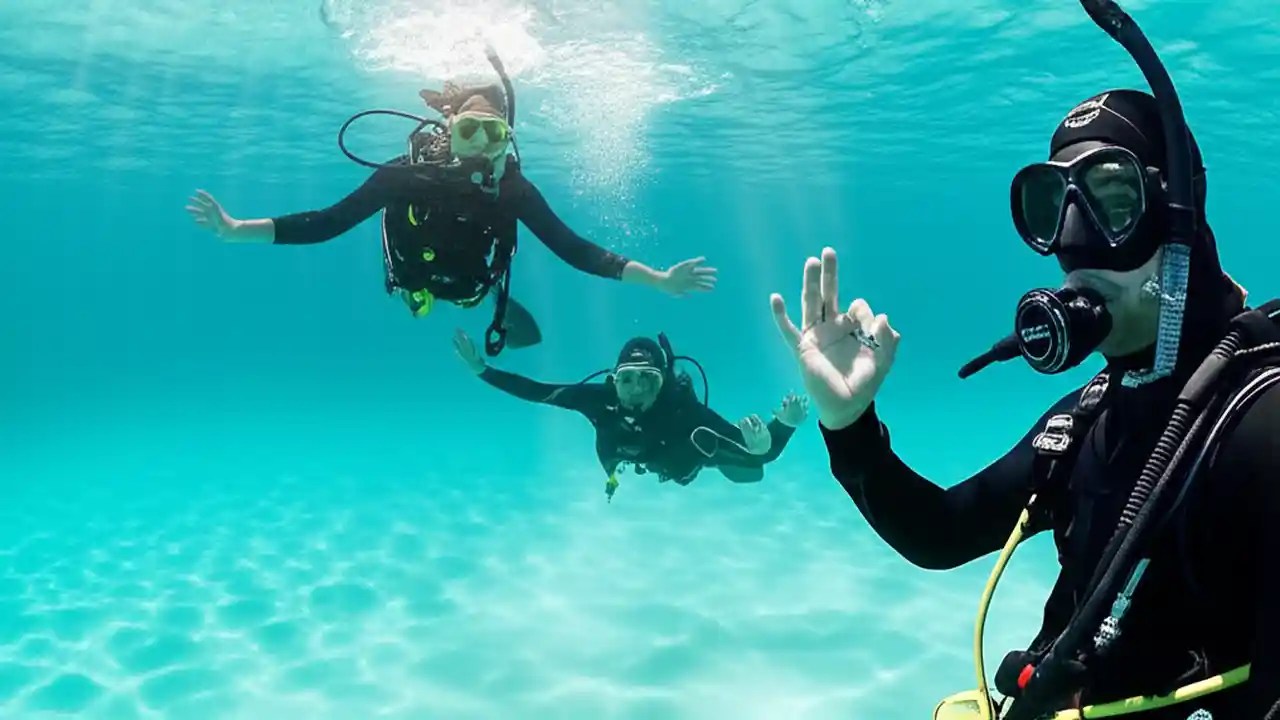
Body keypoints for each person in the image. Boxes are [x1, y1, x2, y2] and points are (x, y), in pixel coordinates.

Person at [769, 3, 1278, 719]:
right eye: (1051, 205)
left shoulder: (1259, 427)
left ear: (1180, 219)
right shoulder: (1091, 418)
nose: (1071, 240)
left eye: (1111, 199)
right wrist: (848, 426)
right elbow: (942, 532)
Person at [185, 49, 716, 357]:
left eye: (493, 134)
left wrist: (658, 279)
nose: (480, 146)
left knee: (463, 294)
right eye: (469, 131)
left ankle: (459, 299)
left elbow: (575, 250)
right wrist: (236, 228)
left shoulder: (513, 190)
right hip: (412, 269)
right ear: (449, 130)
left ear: (508, 139)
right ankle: (417, 296)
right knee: (417, 294)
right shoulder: (406, 174)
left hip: (470, 282)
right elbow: (329, 222)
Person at [453, 328, 808, 501]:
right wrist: (482, 370)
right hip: (619, 454)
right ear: (613, 380)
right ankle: (614, 478)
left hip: (675, 459)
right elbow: (536, 391)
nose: (636, 389)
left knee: (722, 455)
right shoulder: (597, 400)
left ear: (664, 383)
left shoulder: (683, 411)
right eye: (627, 380)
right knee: (614, 462)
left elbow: (758, 454)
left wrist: (779, 430)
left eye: (648, 380)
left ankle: (698, 463)